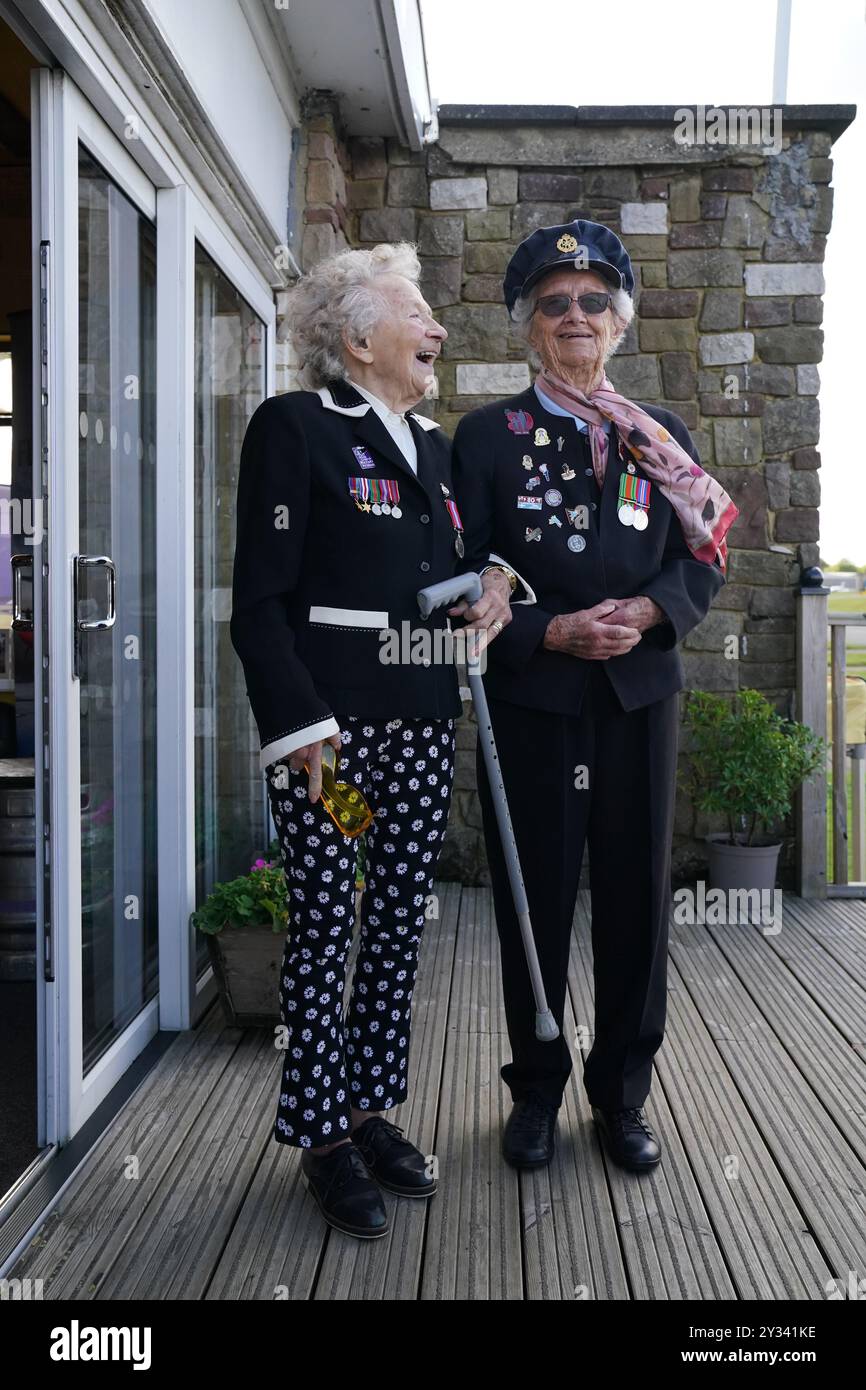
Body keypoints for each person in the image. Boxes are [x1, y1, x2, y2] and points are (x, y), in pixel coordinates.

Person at [229, 243, 516, 1239]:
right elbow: (258, 605)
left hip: (422, 727)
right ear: (358, 337)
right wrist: (301, 731)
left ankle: (366, 1110)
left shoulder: (433, 451)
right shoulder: (296, 428)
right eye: (418, 312)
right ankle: (319, 1136)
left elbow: (451, 570)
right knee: (326, 925)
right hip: (333, 745)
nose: (437, 327)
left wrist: (492, 586)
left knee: (396, 921)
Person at [451, 219, 737, 1174]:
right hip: (534, 699)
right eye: (554, 303)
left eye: (592, 302)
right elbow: (462, 571)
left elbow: (702, 559)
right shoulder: (487, 438)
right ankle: (535, 1089)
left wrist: (654, 613)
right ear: (527, 325)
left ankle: (621, 1093)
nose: (575, 316)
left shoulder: (663, 439)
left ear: (618, 324)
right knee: (532, 899)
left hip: (636, 697)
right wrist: (545, 631)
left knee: (634, 901)